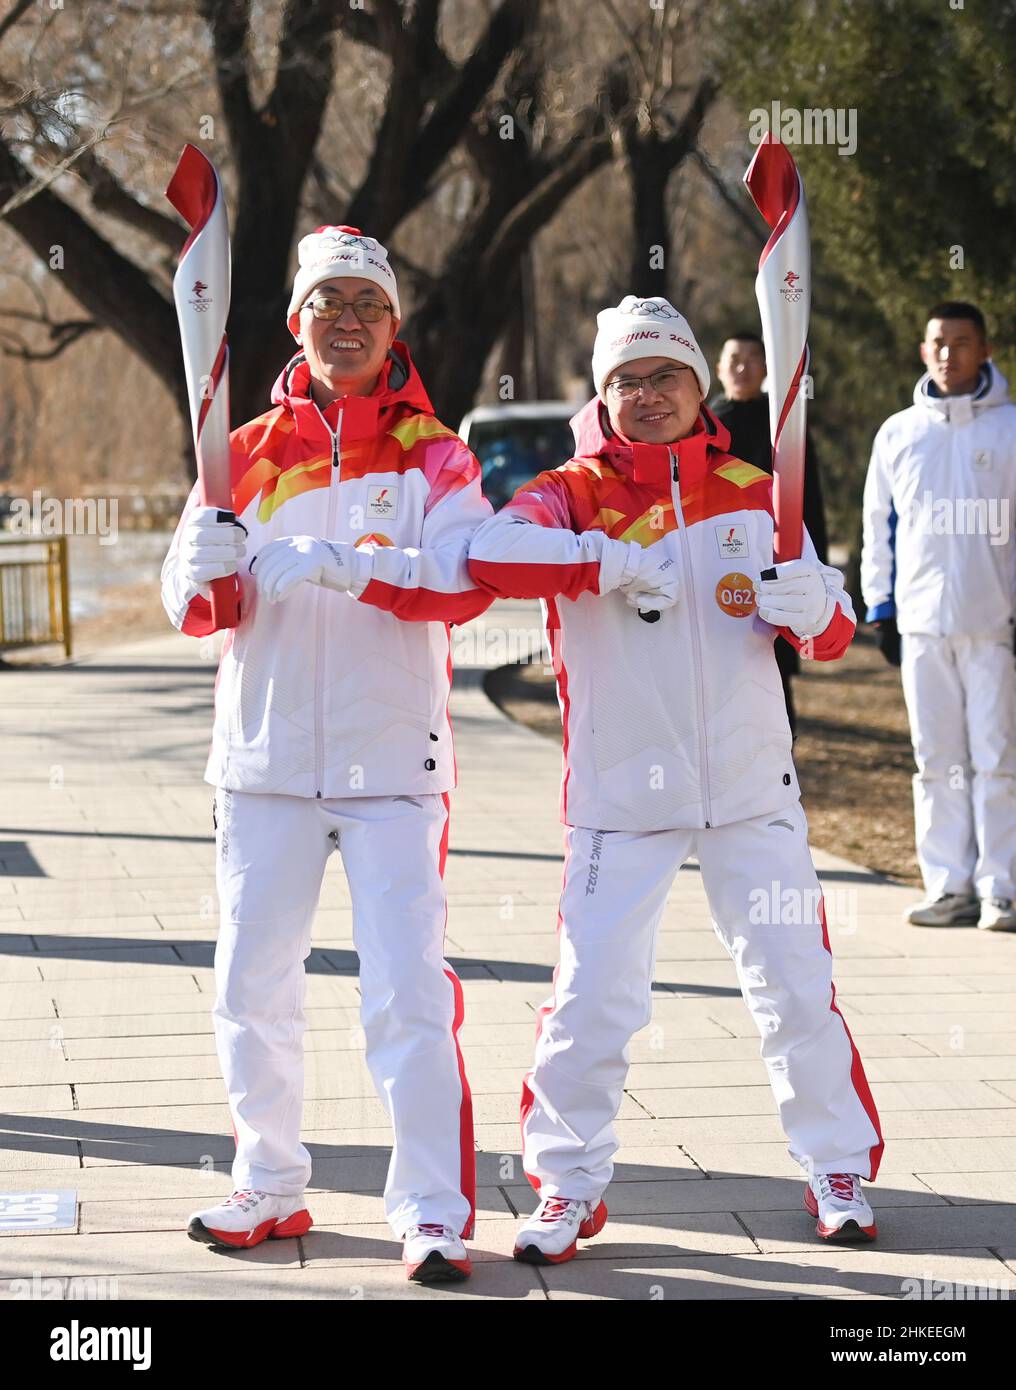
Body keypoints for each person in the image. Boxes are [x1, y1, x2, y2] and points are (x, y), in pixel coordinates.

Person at [467, 295, 883, 1265]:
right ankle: (566, 1187)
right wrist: (594, 559)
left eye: (664, 376)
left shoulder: (753, 488)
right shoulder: (569, 491)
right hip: (619, 800)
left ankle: (836, 1168)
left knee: (793, 987)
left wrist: (814, 600)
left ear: (698, 386)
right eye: (626, 380)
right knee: (590, 1000)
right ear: (602, 394)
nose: (646, 395)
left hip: (749, 789)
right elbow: (487, 553)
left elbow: (827, 636)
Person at [160, 225, 493, 1283]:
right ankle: (270, 1178)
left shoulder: (436, 451)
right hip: (262, 765)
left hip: (392, 767)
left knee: (404, 992)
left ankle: (431, 1208)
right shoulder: (241, 448)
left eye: (367, 307)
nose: (345, 323)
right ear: (296, 321)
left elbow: (464, 582)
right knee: (250, 986)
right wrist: (206, 567)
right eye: (326, 305)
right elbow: (194, 604)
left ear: (394, 325)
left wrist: (349, 565)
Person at [861, 301, 1016, 931]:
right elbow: (879, 524)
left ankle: (1000, 887)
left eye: (962, 341)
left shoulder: (1008, 430)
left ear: (984, 349)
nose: (949, 353)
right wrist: (882, 608)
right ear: (924, 351)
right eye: (938, 343)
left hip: (994, 626)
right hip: (922, 625)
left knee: (998, 757)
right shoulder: (899, 432)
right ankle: (948, 885)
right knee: (935, 759)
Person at [710, 331, 830, 736]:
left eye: (751, 359)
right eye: (734, 358)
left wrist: (816, 573)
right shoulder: (705, 427)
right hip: (716, 566)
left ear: (764, 369)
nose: (742, 367)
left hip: (774, 564)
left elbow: (808, 501)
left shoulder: (783, 423)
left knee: (772, 671)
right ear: (719, 367)